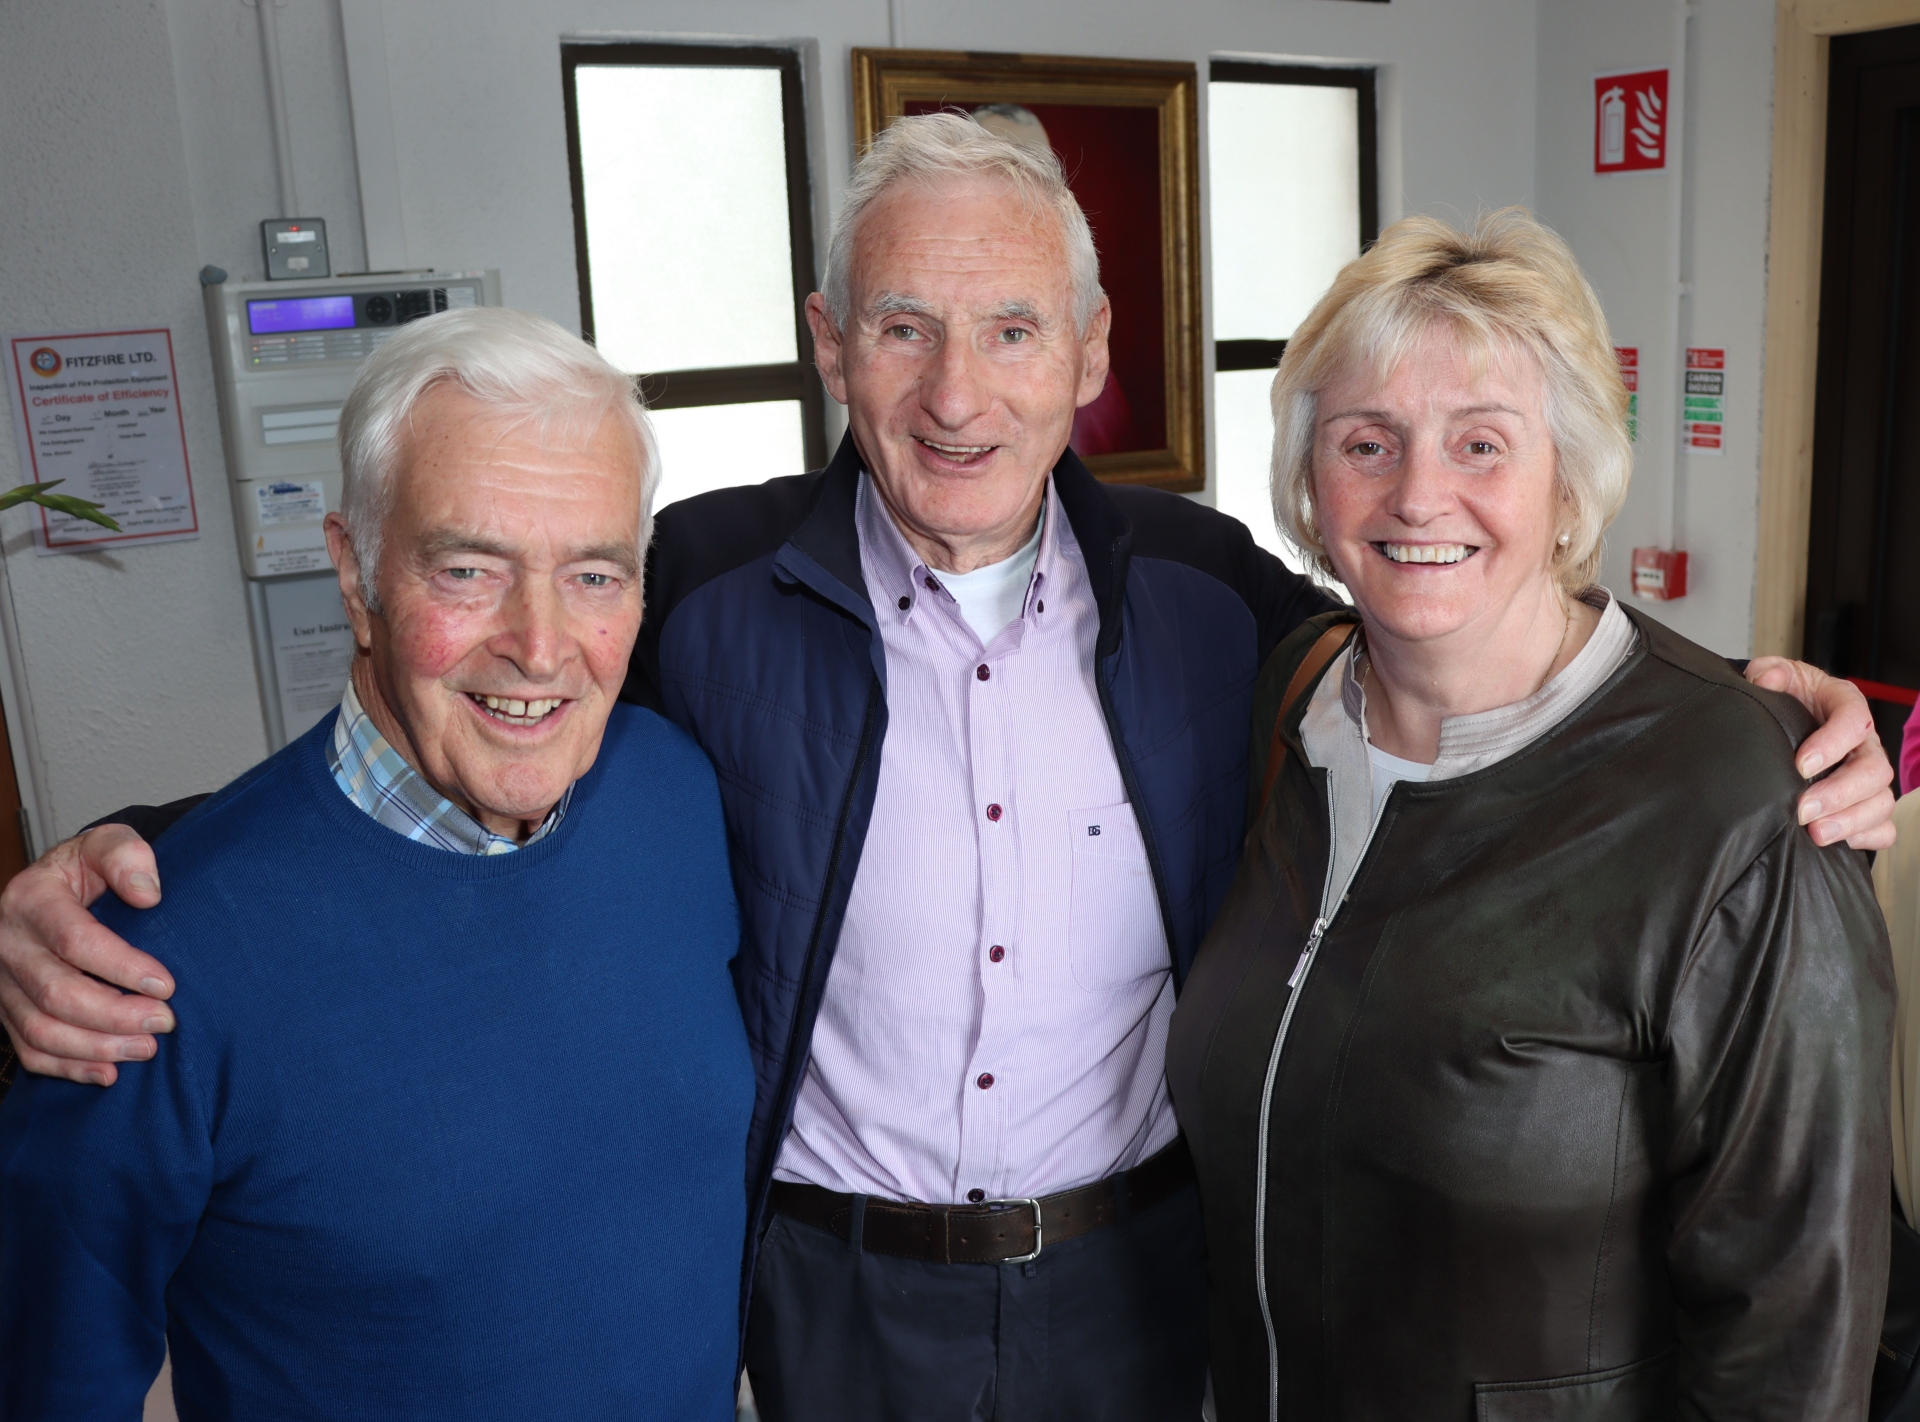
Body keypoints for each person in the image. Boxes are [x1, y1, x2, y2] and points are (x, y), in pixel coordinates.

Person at [0, 118, 1896, 1421]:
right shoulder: (711, 586)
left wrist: (1752, 712)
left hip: (1142, 1276)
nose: (958, 392)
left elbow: (1478, 644)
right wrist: (152, 849)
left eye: (1011, 330)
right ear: (833, 348)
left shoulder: (1213, 599)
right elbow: (488, 682)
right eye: (902, 327)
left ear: (1090, 352)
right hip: (831, 1292)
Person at [1167, 210, 1894, 1419]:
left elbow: (1797, 1325)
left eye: (1483, 443)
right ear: (1309, 480)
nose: (1419, 494)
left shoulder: (1745, 799)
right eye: (1367, 442)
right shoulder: (1288, 710)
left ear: (1570, 482)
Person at [0, 308, 753, 1420]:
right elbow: (51, 1380)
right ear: (355, 575)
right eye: (467, 569)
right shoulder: (137, 967)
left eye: (594, 575)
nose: (540, 647)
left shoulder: (677, 796)